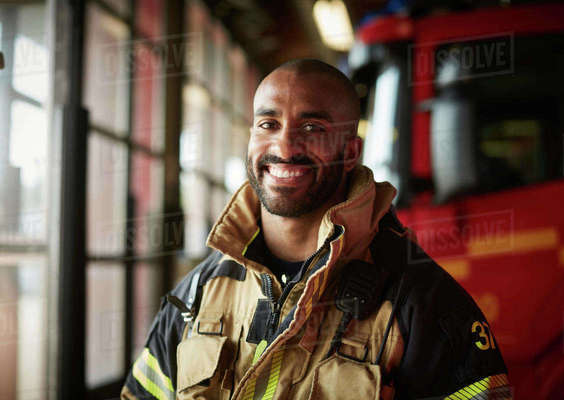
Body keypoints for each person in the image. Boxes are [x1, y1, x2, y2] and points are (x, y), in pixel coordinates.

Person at [121, 59, 510, 400]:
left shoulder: (420, 301)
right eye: (268, 124)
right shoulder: (199, 293)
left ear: (351, 152)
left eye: (312, 127)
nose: (285, 145)